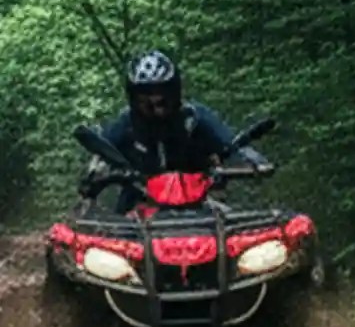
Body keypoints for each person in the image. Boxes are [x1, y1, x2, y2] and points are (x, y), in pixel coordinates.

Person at [81, 50, 269, 213]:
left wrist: (252, 160)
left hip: (198, 202)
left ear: (175, 94)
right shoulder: (125, 124)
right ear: (134, 100)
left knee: (238, 233)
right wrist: (94, 177)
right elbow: (102, 153)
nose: (157, 110)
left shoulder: (195, 118)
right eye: (146, 103)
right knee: (106, 236)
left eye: (163, 101)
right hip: (137, 203)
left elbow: (231, 143)